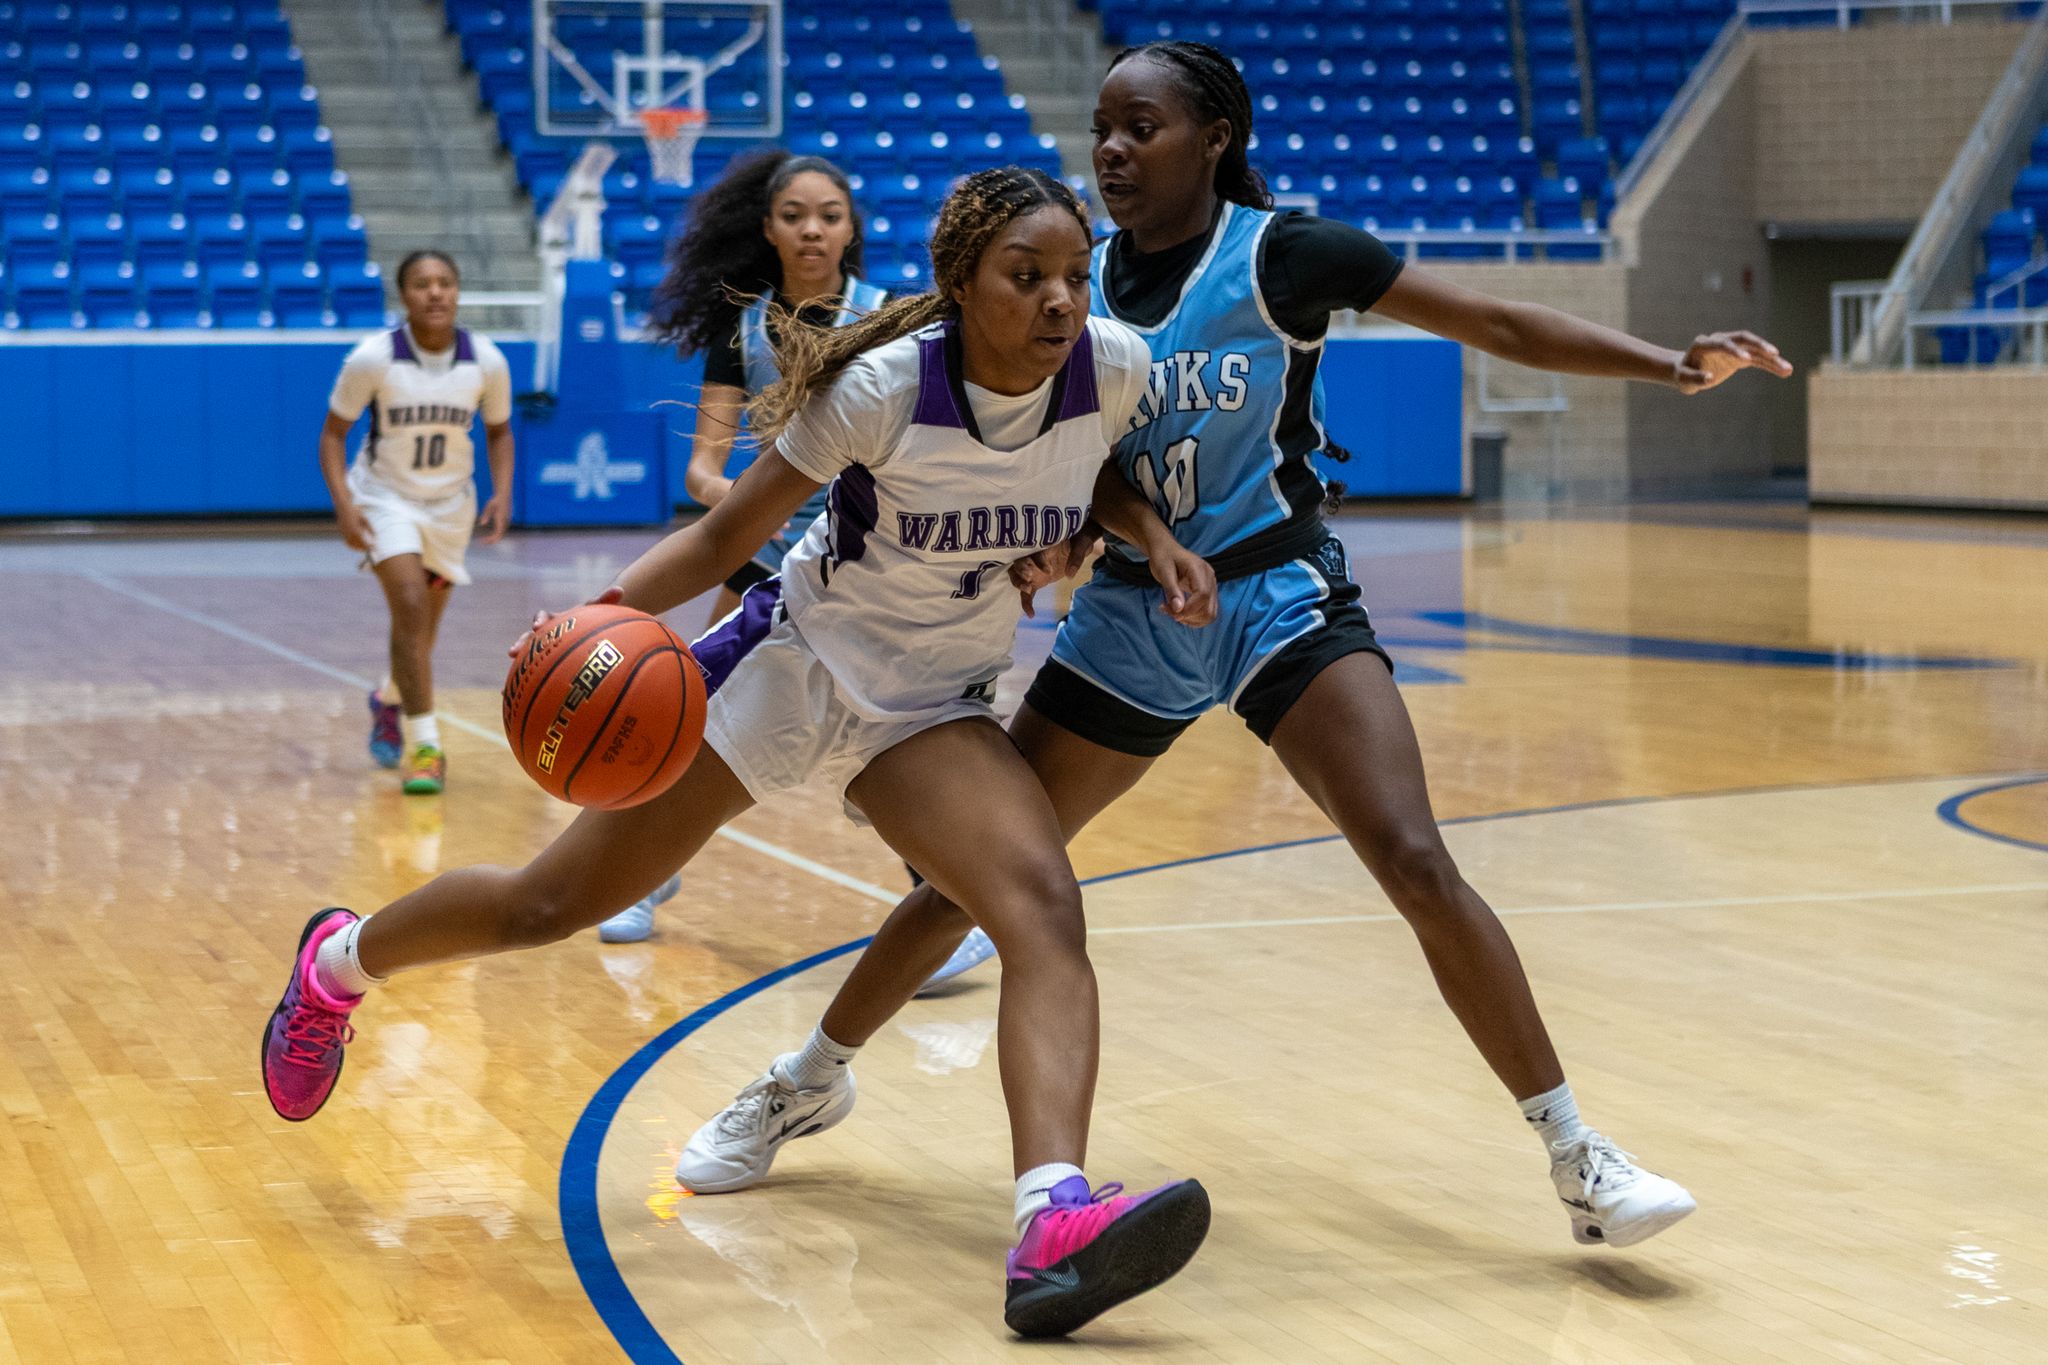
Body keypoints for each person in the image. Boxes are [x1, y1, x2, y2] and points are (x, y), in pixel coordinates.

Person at [681, 40, 1795, 1252]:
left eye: (1141, 127)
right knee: (967, 882)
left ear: (1212, 136)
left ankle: (1576, 1153)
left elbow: (1489, 319)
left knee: (1413, 857)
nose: (1111, 149)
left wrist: (1663, 363)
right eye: (1101, 128)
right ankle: (805, 1077)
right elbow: (1079, 463)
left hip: (1277, 599)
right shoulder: (1074, 283)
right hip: (1130, 617)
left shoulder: (1283, 255)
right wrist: (1103, 538)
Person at [261, 166, 1221, 1339]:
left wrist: (1148, 537)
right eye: (1028, 277)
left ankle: (1049, 1220)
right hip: (790, 670)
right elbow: (725, 533)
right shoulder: (881, 387)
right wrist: (593, 624)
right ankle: (338, 966)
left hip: (928, 706)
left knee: (1040, 913)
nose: (1061, 299)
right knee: (546, 904)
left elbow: (1101, 474)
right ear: (962, 285)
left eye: (1073, 275)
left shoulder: (1110, 367)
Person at [598, 149, 890, 943]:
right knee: (690, 713)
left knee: (890, 724)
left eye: (829, 215)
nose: (812, 229)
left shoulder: (887, 317)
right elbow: (701, 468)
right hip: (766, 554)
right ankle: (647, 875)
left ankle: (946, 891)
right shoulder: (742, 327)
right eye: (794, 215)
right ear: (768, 228)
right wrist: (758, 504)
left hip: (870, 558)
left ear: (850, 227)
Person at [320, 250, 515, 795]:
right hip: (386, 499)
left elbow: (499, 432)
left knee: (419, 633)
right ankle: (426, 745)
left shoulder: (488, 361)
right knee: (408, 603)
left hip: (450, 506)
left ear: (457, 293)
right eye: (422, 284)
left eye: (445, 283)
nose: (435, 293)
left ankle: (387, 698)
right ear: (403, 296)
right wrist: (344, 503)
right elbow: (332, 435)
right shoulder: (372, 359)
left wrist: (501, 492)